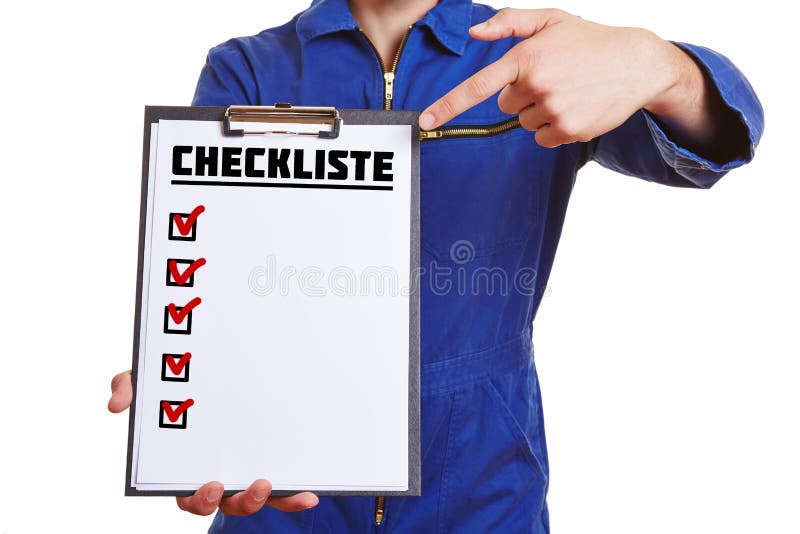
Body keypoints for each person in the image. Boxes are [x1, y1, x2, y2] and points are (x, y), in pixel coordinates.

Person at [108, 0, 764, 531]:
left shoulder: (535, 61)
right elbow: (212, 267)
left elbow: (718, 141)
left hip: (485, 481)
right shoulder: (248, 68)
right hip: (283, 483)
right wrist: (188, 384)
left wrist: (658, 65)